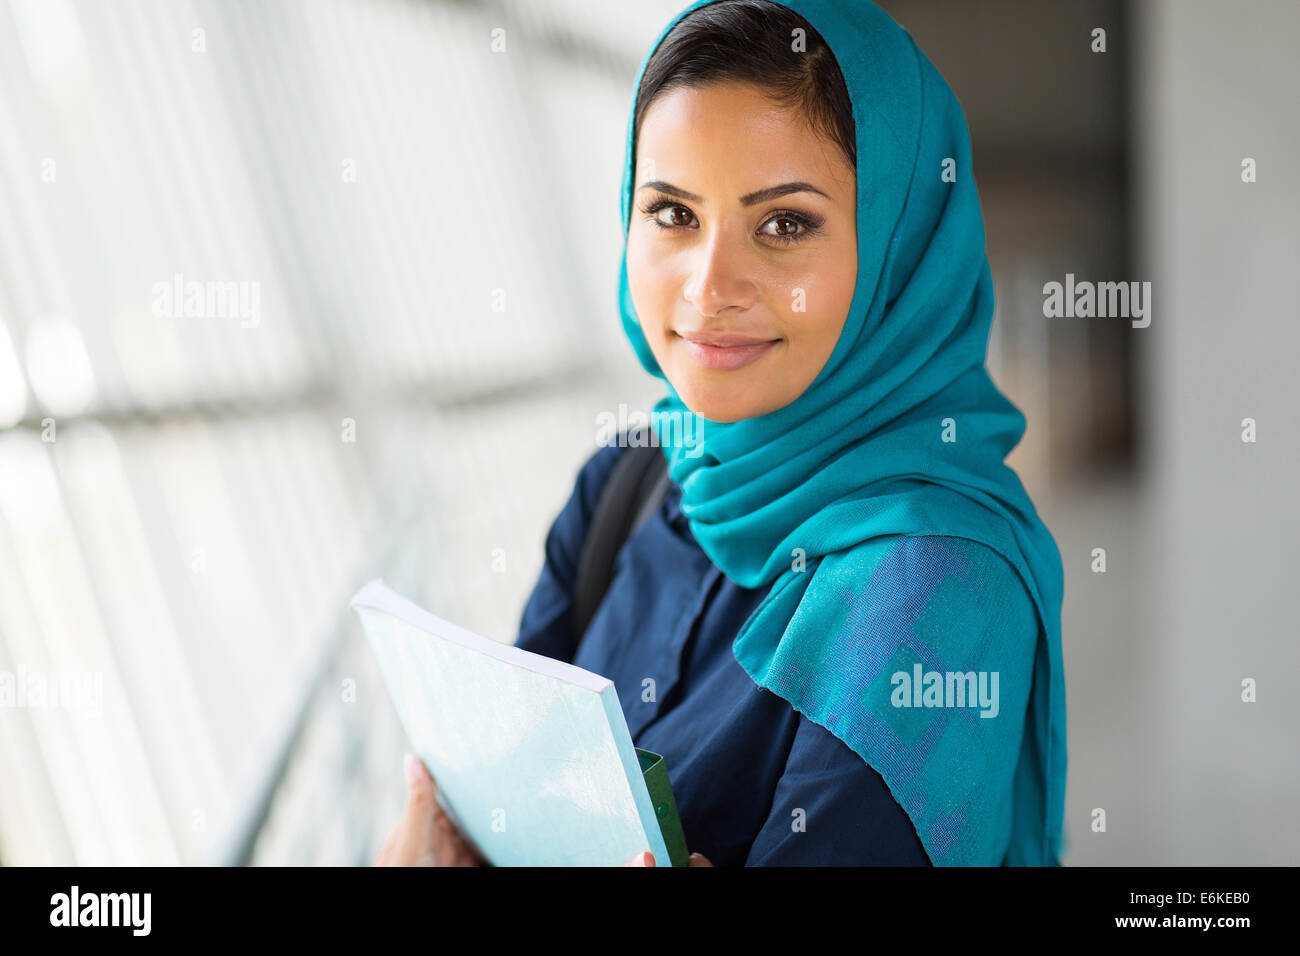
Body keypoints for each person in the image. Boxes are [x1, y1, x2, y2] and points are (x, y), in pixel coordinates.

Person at [375, 0, 1066, 868]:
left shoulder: (935, 582)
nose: (711, 284)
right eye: (672, 213)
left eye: (784, 223)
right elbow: (501, 811)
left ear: (900, 248)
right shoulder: (627, 482)